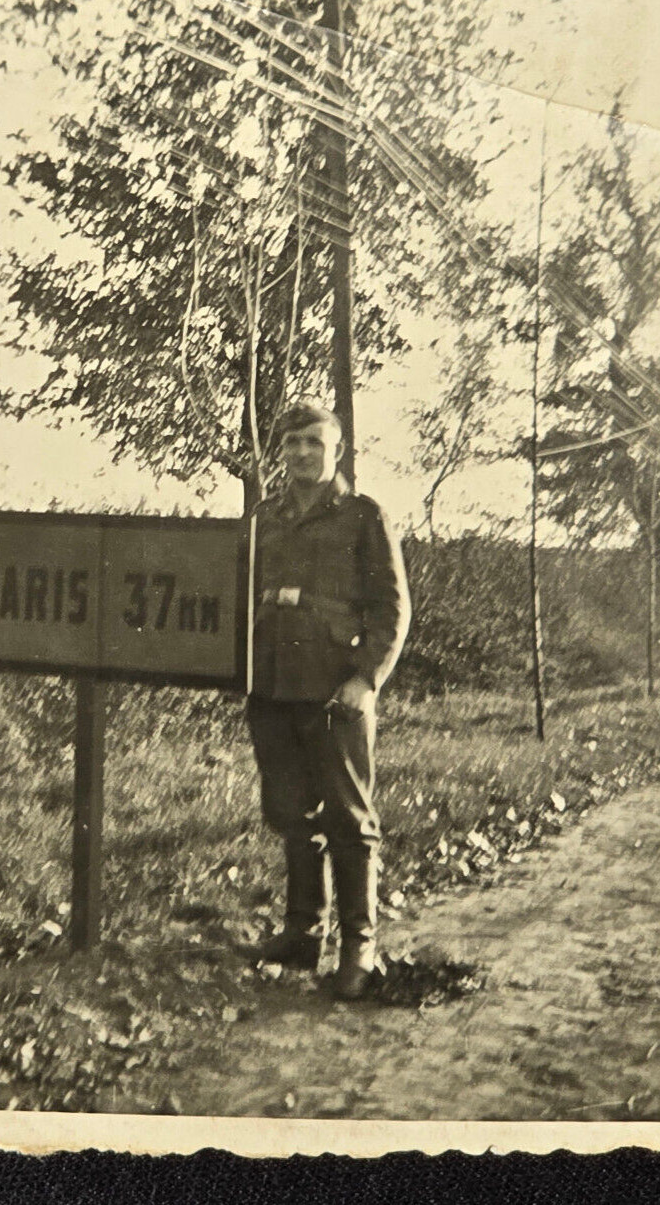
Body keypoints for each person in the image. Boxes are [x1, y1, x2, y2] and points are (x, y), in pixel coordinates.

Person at [248, 401, 411, 1000]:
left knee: (349, 819)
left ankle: (358, 946)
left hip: (335, 689)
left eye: (313, 443)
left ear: (336, 449)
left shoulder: (363, 516)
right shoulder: (266, 515)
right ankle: (301, 932)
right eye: (291, 444)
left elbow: (393, 609)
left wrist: (366, 680)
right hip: (271, 685)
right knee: (290, 812)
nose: (300, 454)